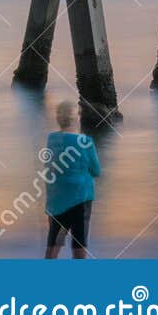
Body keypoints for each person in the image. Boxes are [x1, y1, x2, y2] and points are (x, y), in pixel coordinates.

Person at [43, 100, 100, 259]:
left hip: (56, 199)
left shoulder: (52, 139)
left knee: (53, 244)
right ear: (76, 118)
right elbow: (96, 170)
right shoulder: (85, 142)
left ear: (58, 119)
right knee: (79, 242)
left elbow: (49, 167)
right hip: (80, 198)